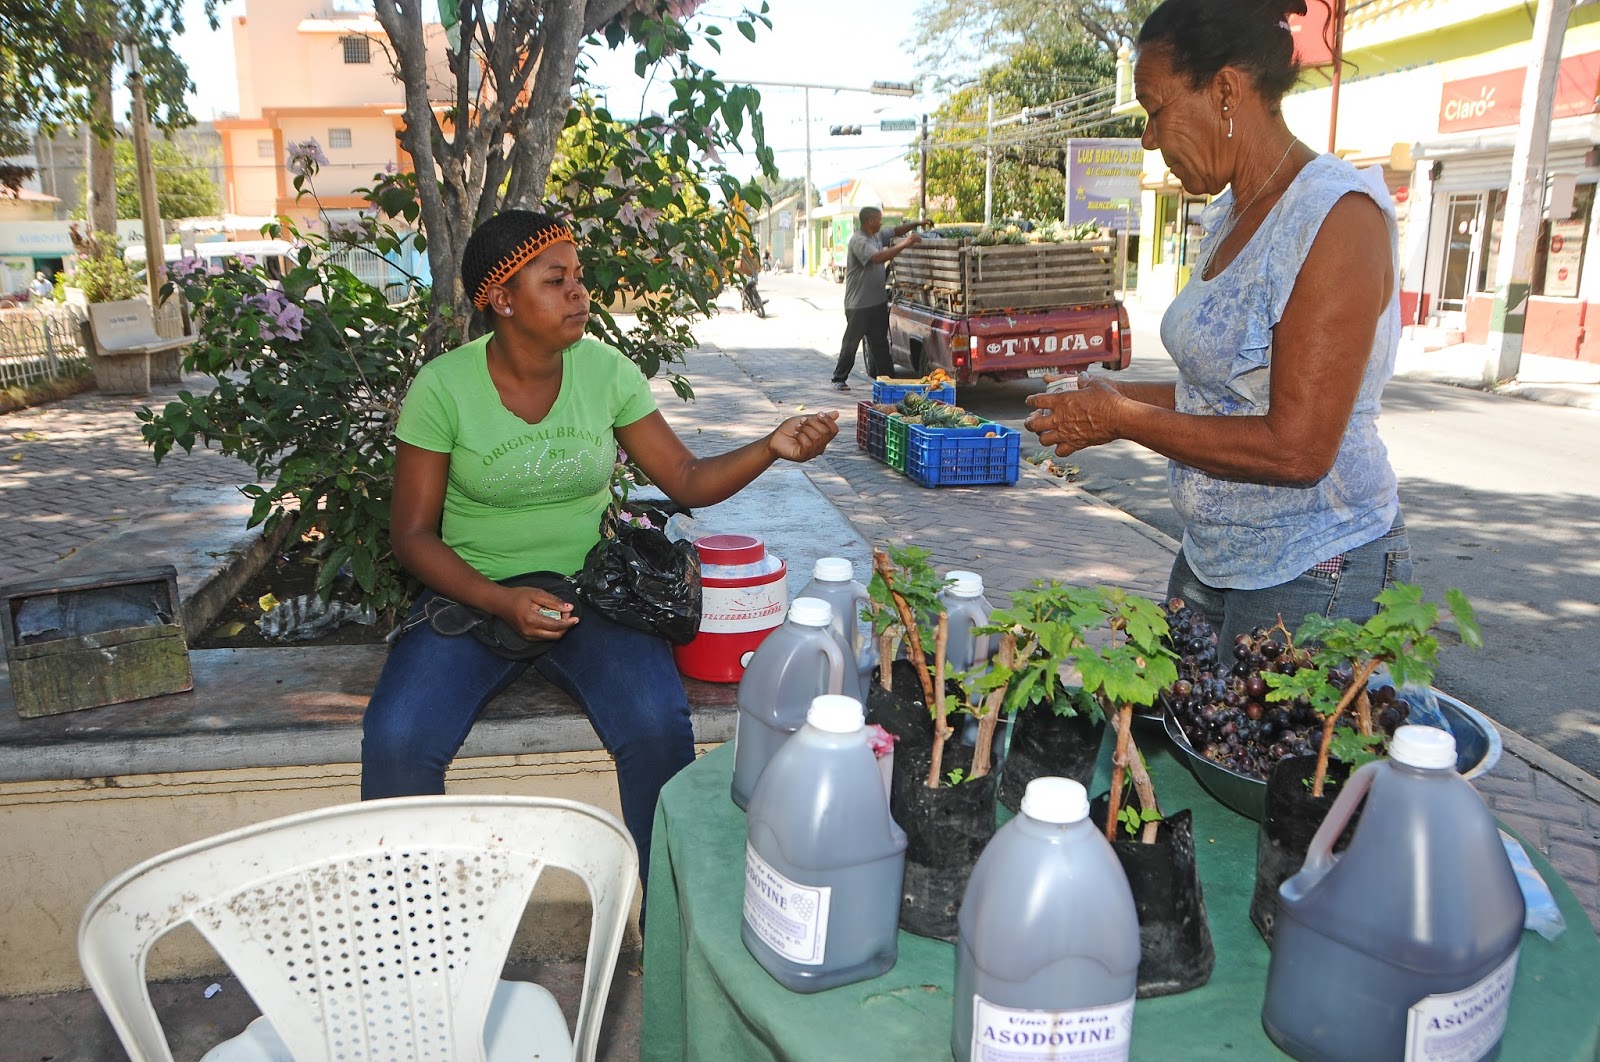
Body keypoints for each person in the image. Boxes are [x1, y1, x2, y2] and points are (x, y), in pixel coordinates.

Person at [361, 209, 840, 878]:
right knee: (398, 736)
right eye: (556, 280)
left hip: (591, 594)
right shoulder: (444, 389)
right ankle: (408, 932)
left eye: (579, 278)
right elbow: (411, 537)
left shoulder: (605, 372)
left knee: (654, 722)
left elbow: (687, 479)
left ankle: (668, 922)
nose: (579, 293)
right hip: (471, 599)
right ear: (501, 299)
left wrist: (771, 447)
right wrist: (500, 601)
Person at [1024, 0, 1411, 647]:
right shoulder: (1230, 213)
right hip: (1212, 559)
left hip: (1316, 566)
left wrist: (1121, 419)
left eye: (1155, 110)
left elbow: (1297, 449)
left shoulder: (1336, 216)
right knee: (1177, 738)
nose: (1148, 137)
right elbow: (1220, 395)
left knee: (1262, 749)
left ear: (1226, 90)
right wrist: (1106, 398)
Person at [830, 207, 927, 391]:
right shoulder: (859, 241)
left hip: (877, 302)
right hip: (859, 304)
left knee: (880, 343)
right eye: (879, 220)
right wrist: (905, 244)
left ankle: (888, 380)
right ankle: (839, 378)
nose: (881, 223)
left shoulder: (876, 236)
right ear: (869, 221)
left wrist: (917, 223)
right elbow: (878, 257)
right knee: (851, 342)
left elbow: (896, 230)